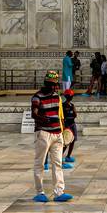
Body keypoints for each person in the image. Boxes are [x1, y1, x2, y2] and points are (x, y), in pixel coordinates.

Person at [30, 69, 72, 202]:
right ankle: (40, 192)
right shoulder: (37, 97)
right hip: (43, 133)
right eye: (53, 84)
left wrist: (63, 130)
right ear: (47, 83)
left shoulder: (57, 96)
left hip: (57, 133)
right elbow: (34, 113)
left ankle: (59, 192)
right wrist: (42, 119)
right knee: (40, 163)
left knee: (57, 163)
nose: (55, 87)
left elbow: (60, 115)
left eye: (56, 84)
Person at [62, 87, 78, 166]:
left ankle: (68, 156)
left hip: (72, 124)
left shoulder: (72, 105)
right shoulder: (63, 105)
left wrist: (73, 110)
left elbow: (75, 115)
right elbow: (62, 117)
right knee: (66, 142)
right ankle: (60, 157)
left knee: (73, 140)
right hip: (66, 125)